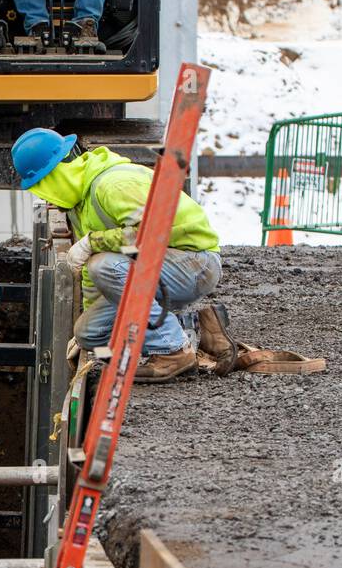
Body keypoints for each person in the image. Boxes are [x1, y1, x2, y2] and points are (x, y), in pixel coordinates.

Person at [12, 127, 226, 383]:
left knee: (105, 266)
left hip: (194, 263)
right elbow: (92, 276)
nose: (41, 195)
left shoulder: (112, 185)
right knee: (89, 332)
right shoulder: (82, 202)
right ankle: (185, 327)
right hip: (155, 269)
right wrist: (88, 340)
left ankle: (173, 351)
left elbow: (153, 233)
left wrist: (93, 241)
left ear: (54, 176)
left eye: (39, 186)